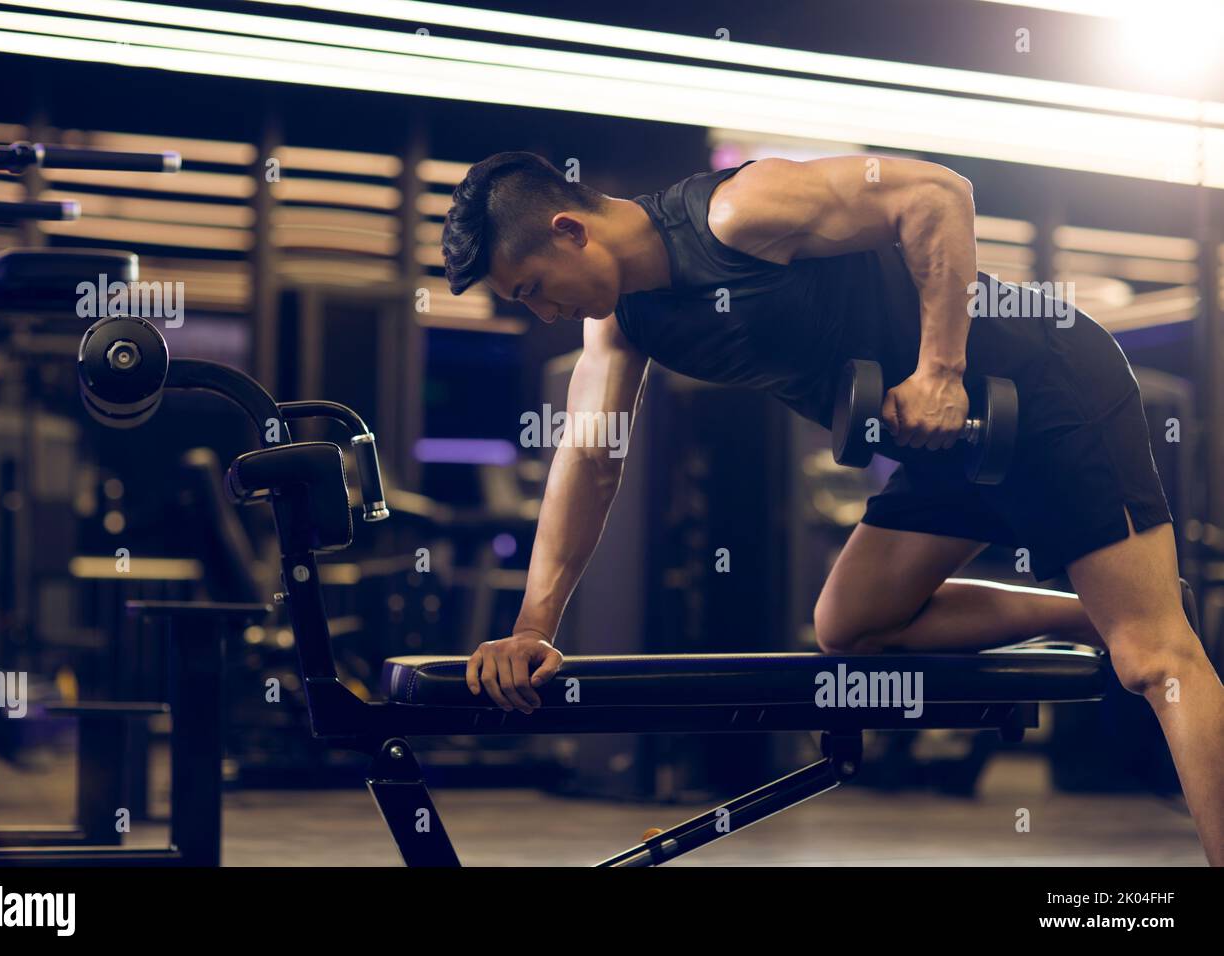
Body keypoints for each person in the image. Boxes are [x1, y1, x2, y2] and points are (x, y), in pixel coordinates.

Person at [440, 151, 1223, 863]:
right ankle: (1088, 614)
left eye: (533, 288)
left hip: (1048, 385)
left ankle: (1143, 632)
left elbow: (938, 194)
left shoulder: (739, 212)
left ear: (569, 229)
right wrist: (533, 626)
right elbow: (587, 456)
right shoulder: (618, 323)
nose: (543, 313)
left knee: (1155, 661)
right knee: (853, 623)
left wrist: (941, 370)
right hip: (943, 443)